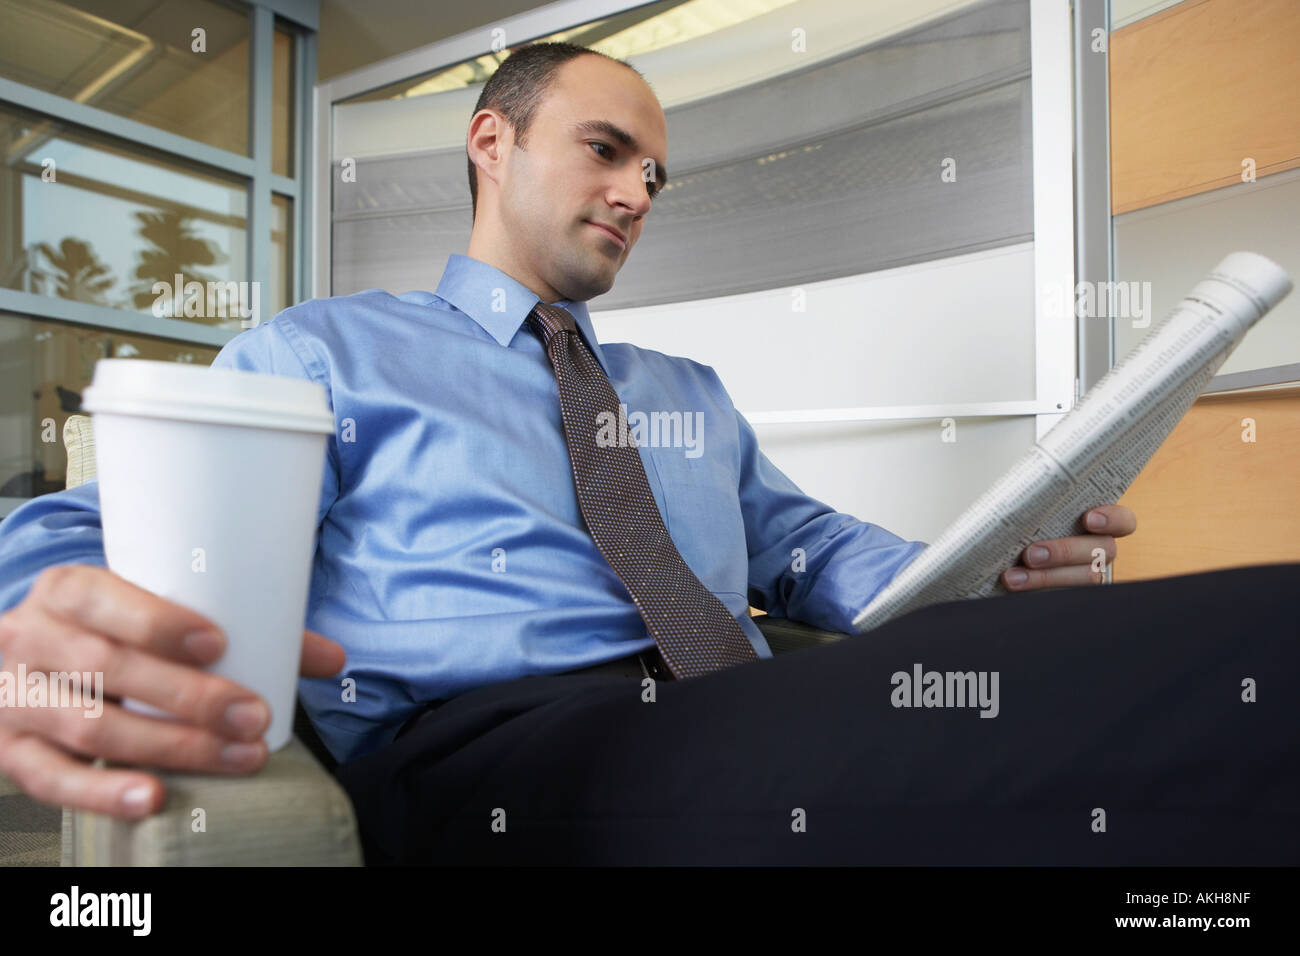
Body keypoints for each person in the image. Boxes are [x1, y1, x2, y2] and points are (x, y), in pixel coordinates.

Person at [0, 43, 1293, 866]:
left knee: (1080, 654)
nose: (637, 194)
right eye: (607, 152)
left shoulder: (684, 391)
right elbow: (124, 523)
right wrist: (32, 607)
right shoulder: (329, 350)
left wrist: (1001, 555)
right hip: (496, 749)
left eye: (656, 177)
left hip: (734, 701)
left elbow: (814, 553)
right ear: (491, 143)